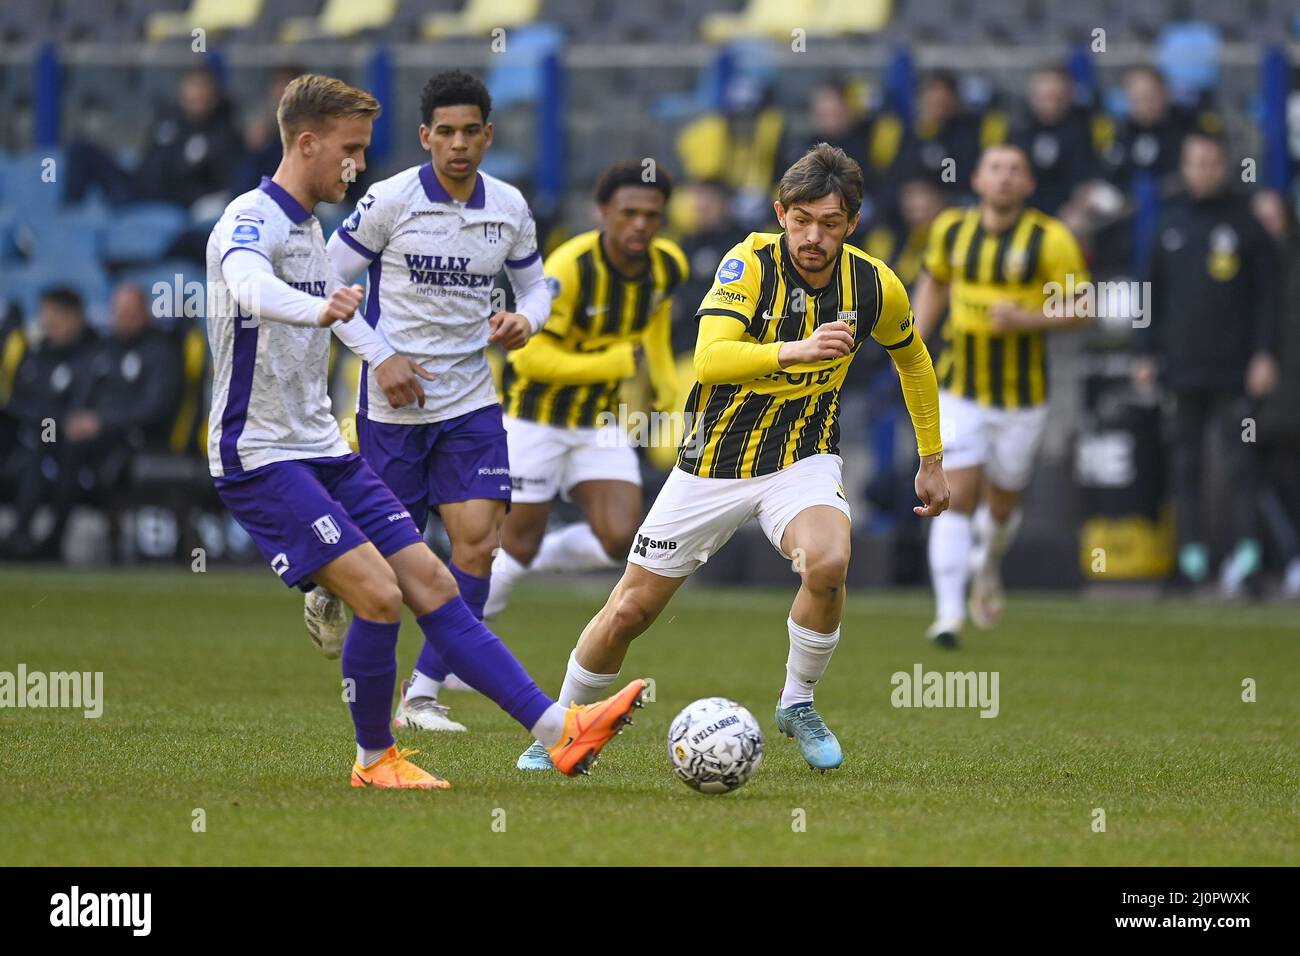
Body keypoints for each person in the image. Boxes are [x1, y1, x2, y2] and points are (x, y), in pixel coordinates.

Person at [205, 73, 644, 787]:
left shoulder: (311, 228)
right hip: (260, 454)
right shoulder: (250, 220)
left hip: (324, 447)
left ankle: (561, 731)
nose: (356, 165)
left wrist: (372, 346)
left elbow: (349, 312)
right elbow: (249, 285)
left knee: (435, 584)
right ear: (307, 143)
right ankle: (375, 758)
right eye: (349, 151)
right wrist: (313, 309)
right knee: (379, 595)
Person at [514, 144, 950, 773]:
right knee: (630, 610)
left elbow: (913, 358)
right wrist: (795, 351)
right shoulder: (747, 263)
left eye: (829, 224)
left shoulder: (873, 283)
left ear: (851, 223)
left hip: (802, 458)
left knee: (827, 563)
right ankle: (561, 726)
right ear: (780, 214)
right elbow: (710, 358)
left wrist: (931, 457)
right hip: (712, 462)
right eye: (800, 220)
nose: (813, 237)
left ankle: (797, 702)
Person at [309, 70, 552, 733]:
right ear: (425, 137)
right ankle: (328, 584)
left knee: (477, 548)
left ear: (488, 135)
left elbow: (540, 286)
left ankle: (421, 695)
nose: (458, 144)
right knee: (388, 566)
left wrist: (526, 320)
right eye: (444, 132)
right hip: (393, 412)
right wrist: (379, 356)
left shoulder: (509, 207)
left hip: (470, 405)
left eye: (471, 131)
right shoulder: (388, 201)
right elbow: (324, 281)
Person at [485, 160, 687, 621]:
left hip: (598, 422)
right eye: (628, 212)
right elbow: (527, 357)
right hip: (532, 419)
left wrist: (665, 383)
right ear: (603, 213)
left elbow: (653, 319)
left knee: (622, 541)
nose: (640, 224)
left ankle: (536, 556)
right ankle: (450, 661)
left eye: (651, 215)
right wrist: (611, 363)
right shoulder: (569, 268)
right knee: (515, 545)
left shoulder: (666, 266)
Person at [913, 144, 1091, 648]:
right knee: (955, 496)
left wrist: (1028, 318)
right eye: (996, 168)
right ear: (977, 178)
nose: (1005, 178)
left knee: (1004, 502)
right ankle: (948, 616)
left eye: (1016, 169)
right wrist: (915, 344)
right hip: (959, 389)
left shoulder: (1051, 239)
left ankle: (987, 565)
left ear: (1029, 184)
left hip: (1022, 397)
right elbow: (934, 282)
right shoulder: (951, 229)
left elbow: (1082, 305)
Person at [1132, 132, 1280, 595]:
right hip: (1181, 369)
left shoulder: (1246, 224)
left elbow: (1269, 299)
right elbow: (1148, 295)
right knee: (1185, 467)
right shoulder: (1169, 222)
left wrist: (1264, 353)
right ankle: (1191, 565)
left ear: (1224, 166)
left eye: (1211, 163)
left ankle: (1248, 565)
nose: (1203, 171)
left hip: (1236, 371)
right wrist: (1144, 352)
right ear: (1184, 165)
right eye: (1195, 162)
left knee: (1241, 467)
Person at [2, 288, 99, 559]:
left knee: (44, 449)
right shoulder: (35, 355)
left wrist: (51, 420)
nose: (47, 326)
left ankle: (32, 536)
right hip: (22, 436)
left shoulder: (91, 357)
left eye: (54, 319)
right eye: (46, 319)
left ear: (74, 317)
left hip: (65, 445)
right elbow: (16, 402)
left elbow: (81, 412)